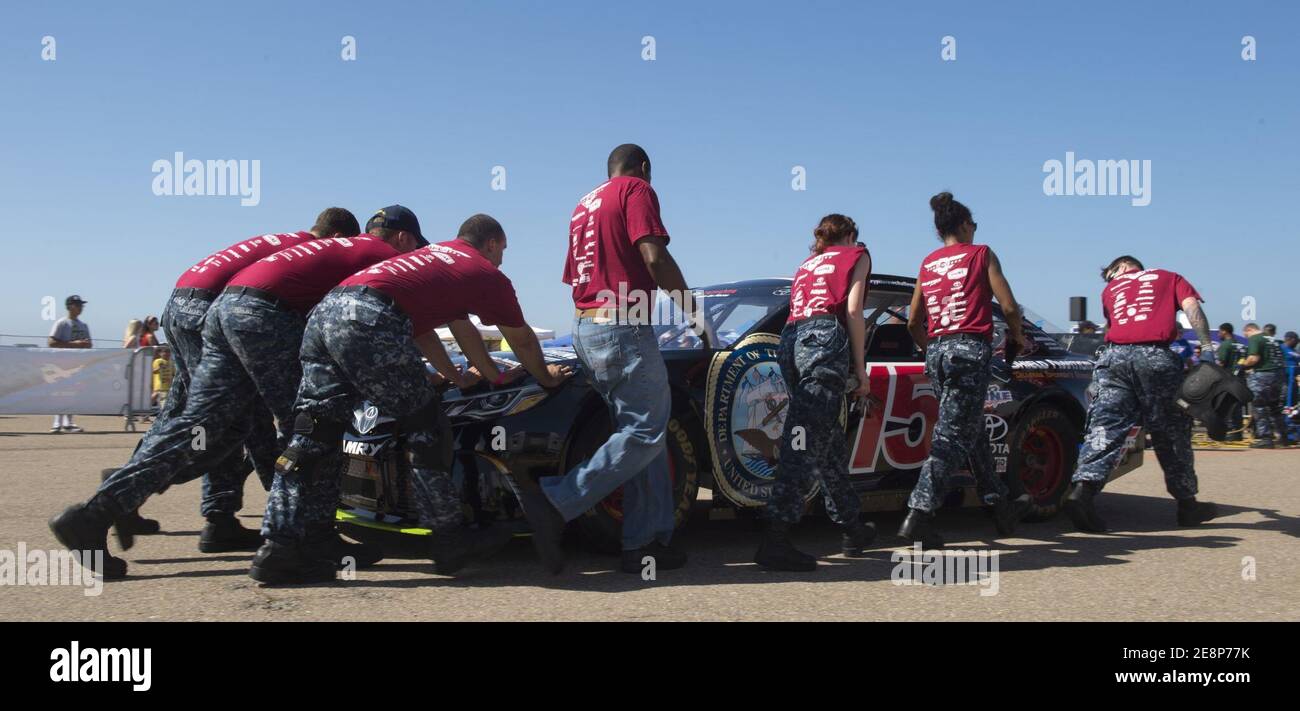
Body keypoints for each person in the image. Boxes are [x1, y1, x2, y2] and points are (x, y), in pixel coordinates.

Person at [250, 214, 573, 583]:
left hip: (325, 315)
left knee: (310, 435)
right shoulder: (487, 275)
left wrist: (475, 375)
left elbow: (452, 330)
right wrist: (545, 376)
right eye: (503, 250)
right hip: (370, 318)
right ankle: (449, 541)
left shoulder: (431, 261)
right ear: (492, 243)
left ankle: (278, 547)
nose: (502, 259)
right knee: (427, 425)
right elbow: (522, 339)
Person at [48, 209, 364, 578]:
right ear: (338, 235)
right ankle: (110, 502)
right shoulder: (315, 252)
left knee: (218, 421)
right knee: (219, 426)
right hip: (213, 312)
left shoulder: (285, 241)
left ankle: (217, 518)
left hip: (183, 306)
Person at [508, 143, 701, 576]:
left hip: (585, 325)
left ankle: (644, 543)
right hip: (623, 324)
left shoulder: (583, 205)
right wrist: (693, 314)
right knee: (647, 431)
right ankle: (557, 500)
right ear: (644, 168)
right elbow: (654, 256)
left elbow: (574, 275)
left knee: (636, 435)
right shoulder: (636, 189)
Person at [897, 193, 1031, 548]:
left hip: (938, 351)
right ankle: (918, 515)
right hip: (970, 350)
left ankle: (1000, 505)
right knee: (953, 436)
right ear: (964, 225)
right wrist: (1018, 337)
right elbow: (1010, 307)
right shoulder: (981, 254)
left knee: (970, 430)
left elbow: (913, 321)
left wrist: (935, 350)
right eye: (974, 225)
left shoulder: (928, 263)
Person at [752, 214, 877, 571]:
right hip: (824, 339)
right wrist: (860, 370)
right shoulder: (858, 254)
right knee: (803, 439)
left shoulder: (807, 264)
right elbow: (853, 310)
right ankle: (775, 538)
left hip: (791, 341)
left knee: (824, 438)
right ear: (851, 235)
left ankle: (852, 527)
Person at [1065, 256, 1219, 531]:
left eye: (1111, 273)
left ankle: (1083, 493)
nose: (1110, 280)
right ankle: (1187, 505)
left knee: (1105, 427)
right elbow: (1191, 307)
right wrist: (1207, 349)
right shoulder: (1170, 276)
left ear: (1123, 266)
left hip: (1114, 359)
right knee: (1170, 430)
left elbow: (1113, 328)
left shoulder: (1110, 290)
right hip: (1155, 357)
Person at [1240, 322, 1290, 447]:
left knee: (1259, 406)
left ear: (1249, 330)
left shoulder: (1255, 338)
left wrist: (1242, 365)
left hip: (1263, 376)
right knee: (1276, 408)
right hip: (1279, 376)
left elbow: (1253, 358)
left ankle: (1265, 438)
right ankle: (1283, 436)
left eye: (1246, 335)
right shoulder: (1272, 340)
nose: (1247, 338)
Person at [47, 295, 92, 433]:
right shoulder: (62, 323)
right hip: (61, 364)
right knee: (59, 392)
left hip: (77, 365)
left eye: (81, 305)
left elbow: (90, 344)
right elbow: (51, 342)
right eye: (78, 305)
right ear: (70, 306)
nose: (81, 308)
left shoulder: (83, 325)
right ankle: (57, 422)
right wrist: (74, 344)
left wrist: (84, 345)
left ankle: (68, 422)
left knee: (73, 393)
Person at [1213, 323, 1246, 441]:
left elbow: (1221, 363)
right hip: (1241, 379)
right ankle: (1237, 432)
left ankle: (1231, 431)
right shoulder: (1241, 345)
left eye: (1219, 332)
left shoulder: (1225, 345)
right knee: (1237, 407)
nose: (1218, 334)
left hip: (1228, 379)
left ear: (1224, 331)